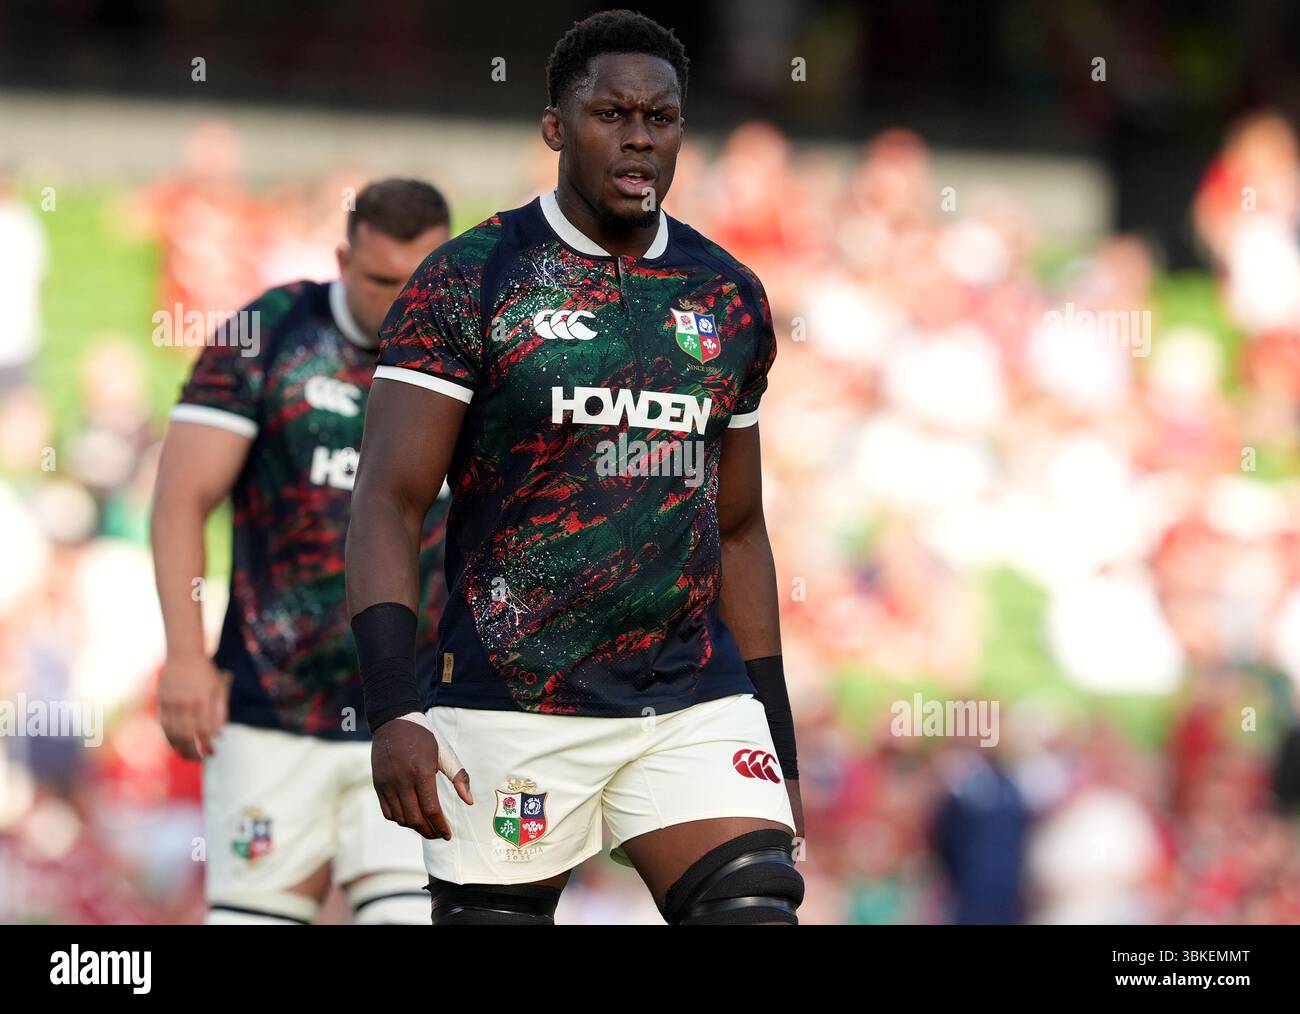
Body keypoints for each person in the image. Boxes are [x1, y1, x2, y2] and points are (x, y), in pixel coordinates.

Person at [346, 10, 804, 925]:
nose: (639, 137)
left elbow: (739, 527)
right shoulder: (470, 278)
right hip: (513, 699)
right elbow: (389, 502)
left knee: (754, 906)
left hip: (690, 698)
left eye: (660, 118)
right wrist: (394, 707)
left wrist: (778, 736)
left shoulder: (727, 294)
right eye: (612, 114)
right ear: (556, 127)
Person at [151, 178, 452, 924]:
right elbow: (182, 497)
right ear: (343, 261)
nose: (402, 303)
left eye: (418, 281)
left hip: (415, 710)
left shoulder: (470, 349)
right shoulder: (270, 333)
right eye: (380, 281)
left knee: (407, 919)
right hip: (271, 703)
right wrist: (185, 655)